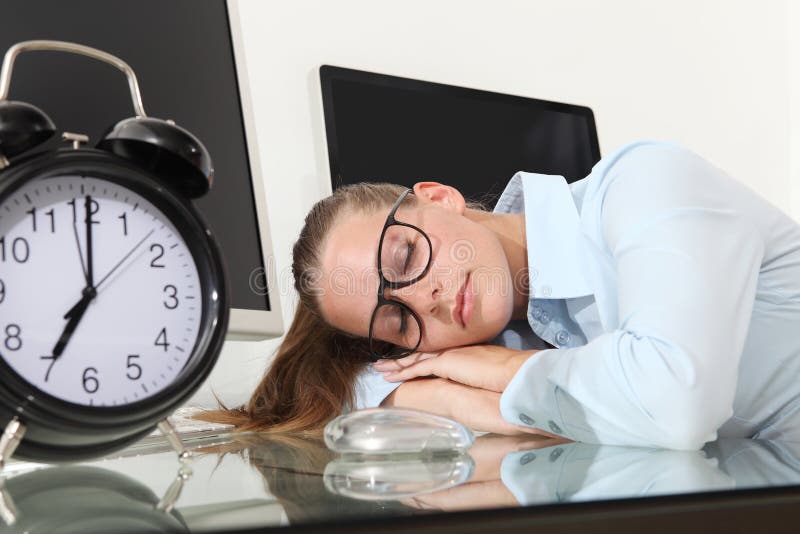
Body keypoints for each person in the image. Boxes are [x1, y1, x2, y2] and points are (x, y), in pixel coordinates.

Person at [200, 140, 800, 449]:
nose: (425, 301)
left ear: (438, 197)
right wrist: (453, 399)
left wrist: (502, 370)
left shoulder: (644, 183)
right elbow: (359, 393)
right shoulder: (511, 327)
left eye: (405, 256)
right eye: (397, 320)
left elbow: (673, 406)